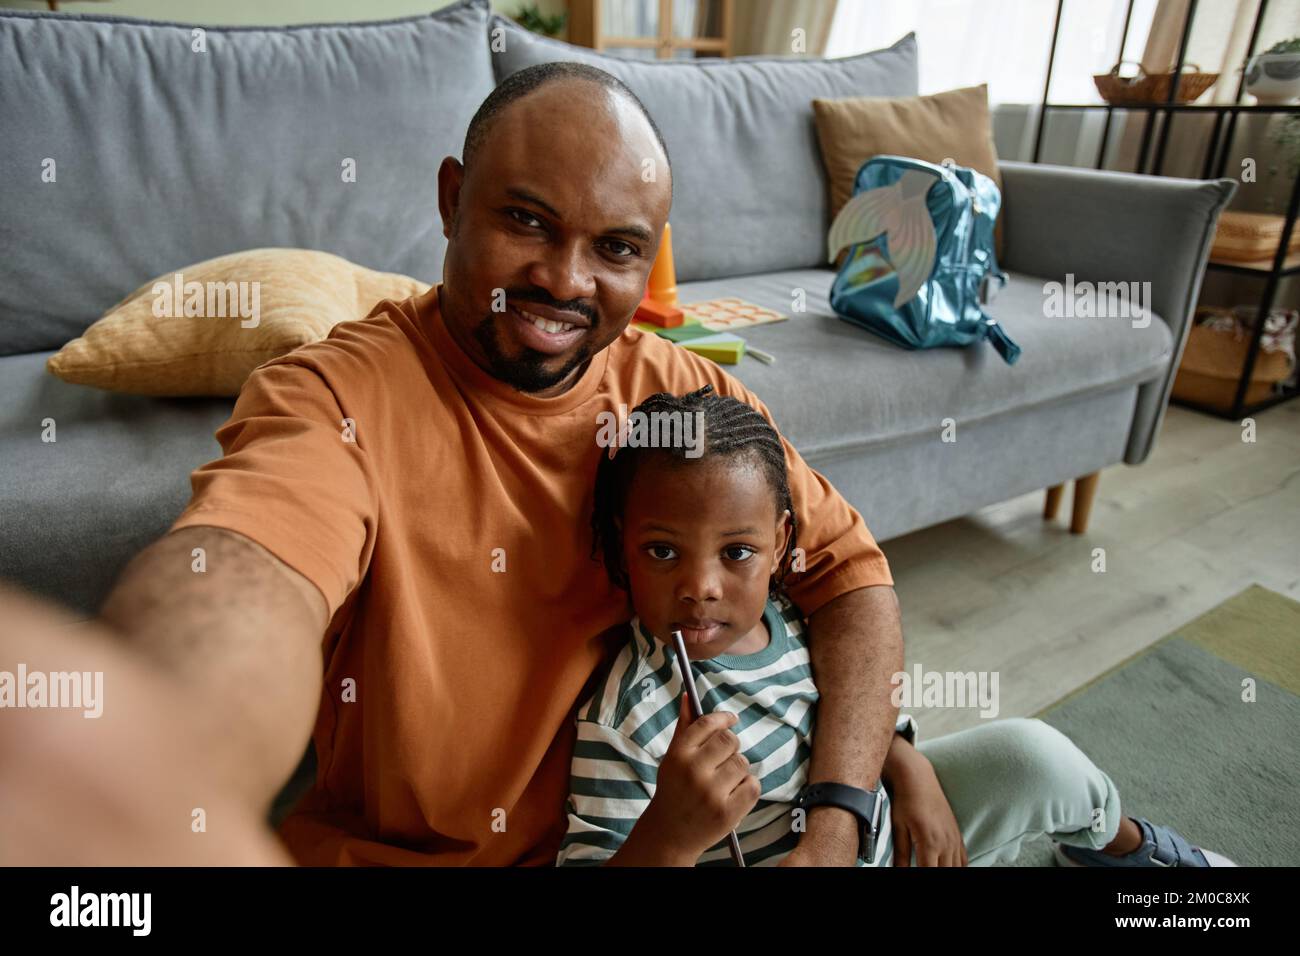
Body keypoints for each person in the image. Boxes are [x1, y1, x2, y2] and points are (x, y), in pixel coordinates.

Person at [0, 62, 902, 866]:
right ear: (451, 199)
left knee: (1032, 767)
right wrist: (151, 750)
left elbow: (849, 579)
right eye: (526, 221)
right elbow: (248, 572)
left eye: (617, 248)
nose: (565, 280)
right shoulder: (337, 398)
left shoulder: (683, 401)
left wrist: (842, 813)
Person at [557, 387, 1235, 867]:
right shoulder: (627, 718)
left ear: (781, 542)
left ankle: (1124, 852)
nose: (701, 586)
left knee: (1037, 757)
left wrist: (911, 773)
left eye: (736, 552)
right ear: (622, 549)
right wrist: (668, 839)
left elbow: (860, 716)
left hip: (899, 838)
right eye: (662, 552)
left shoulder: (795, 620)